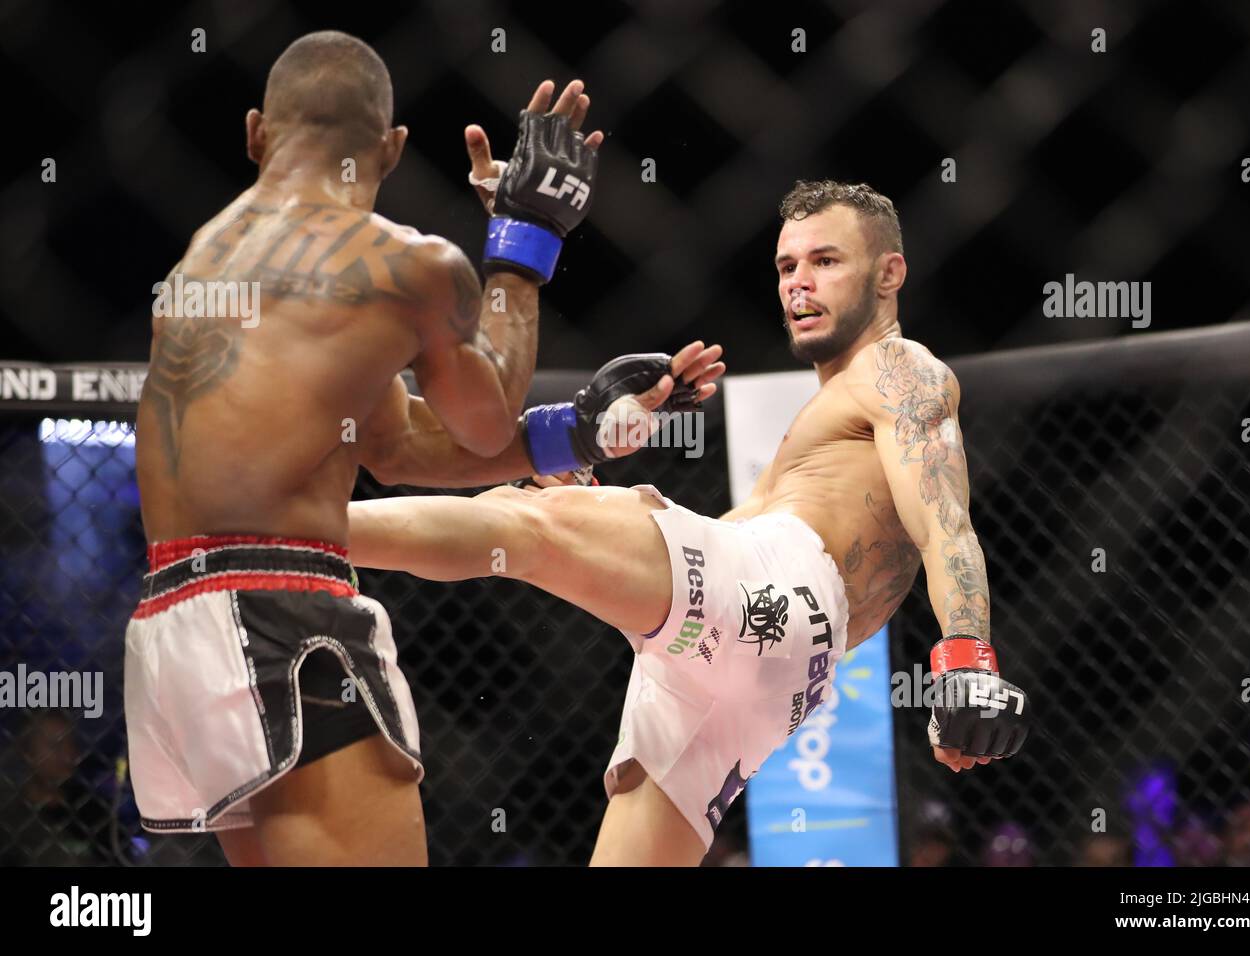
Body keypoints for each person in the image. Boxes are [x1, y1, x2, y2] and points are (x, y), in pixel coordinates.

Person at [346, 179, 1030, 866]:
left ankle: (299, 530)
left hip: (774, 603)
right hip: (767, 672)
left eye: (826, 261)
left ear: (889, 273)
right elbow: (716, 572)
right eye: (787, 267)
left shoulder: (899, 368)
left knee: (521, 520)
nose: (799, 284)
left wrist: (967, 655)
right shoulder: (833, 415)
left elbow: (945, 524)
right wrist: (585, 484)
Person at [126, 29, 602, 865]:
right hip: (284, 618)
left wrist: (579, 429)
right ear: (391, 148)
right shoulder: (405, 265)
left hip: (177, 622)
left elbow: (403, 446)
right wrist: (525, 243)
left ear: (254, 133)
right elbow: (484, 422)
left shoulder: (197, 267)